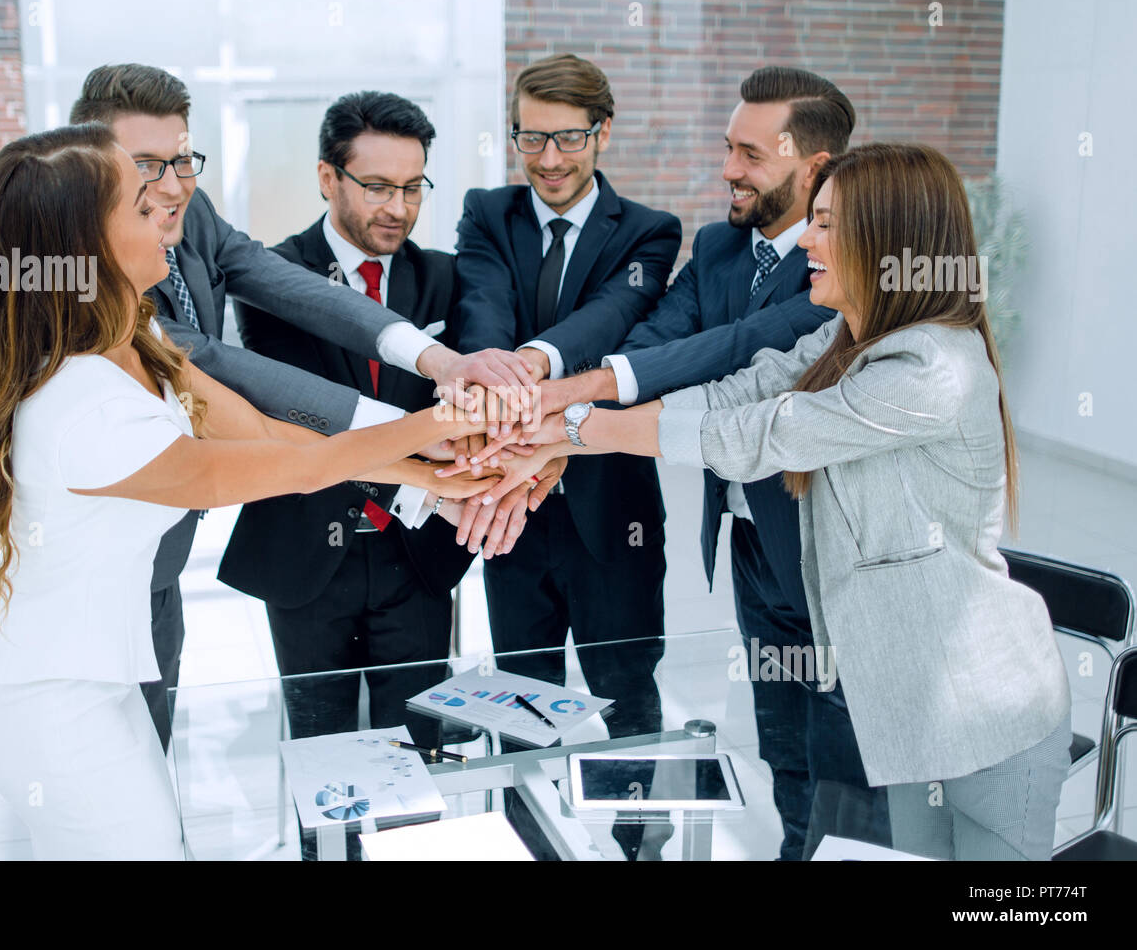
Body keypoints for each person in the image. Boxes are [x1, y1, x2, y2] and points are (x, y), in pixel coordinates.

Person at [500, 142, 1072, 861]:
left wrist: (576, 429)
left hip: (990, 710)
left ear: (886, 239)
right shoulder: (847, 334)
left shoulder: (933, 366)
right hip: (913, 712)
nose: (806, 238)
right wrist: (573, 429)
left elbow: (763, 434)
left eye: (828, 224)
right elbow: (743, 390)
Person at [0, 122, 492, 859]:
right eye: (141, 207)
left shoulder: (138, 336)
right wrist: (445, 420)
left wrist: (428, 479)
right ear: (90, 249)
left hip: (96, 679)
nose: (169, 205)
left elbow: (268, 437)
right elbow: (297, 472)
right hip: (48, 700)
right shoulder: (83, 405)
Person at [68, 65, 534, 751]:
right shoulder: (92, 287)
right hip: (101, 578)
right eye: (146, 166)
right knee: (117, 775)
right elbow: (214, 366)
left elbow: (275, 281)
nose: (171, 186)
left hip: (164, 561)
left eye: (180, 160)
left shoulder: (184, 210)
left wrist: (435, 361)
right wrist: (413, 444)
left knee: (152, 762)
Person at [526, 66, 884, 859]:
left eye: (751, 155)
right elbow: (662, 340)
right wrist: (572, 423)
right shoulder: (722, 245)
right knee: (781, 736)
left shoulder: (847, 267)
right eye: (729, 147)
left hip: (831, 545)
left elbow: (737, 355)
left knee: (847, 752)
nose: (728, 169)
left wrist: (575, 412)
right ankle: (796, 848)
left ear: (815, 167)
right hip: (753, 538)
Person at [219, 91, 564, 752]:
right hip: (307, 549)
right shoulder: (273, 277)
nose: (399, 207)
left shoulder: (448, 279)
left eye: (413, 187)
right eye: (377, 186)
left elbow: (477, 408)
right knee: (324, 763)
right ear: (328, 177)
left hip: (419, 557)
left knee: (414, 758)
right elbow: (300, 415)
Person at [452, 53, 681, 859]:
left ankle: (637, 842)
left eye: (568, 139)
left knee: (626, 691)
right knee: (521, 697)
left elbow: (613, 318)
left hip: (609, 508)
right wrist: (496, 372)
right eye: (530, 138)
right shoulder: (488, 213)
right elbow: (479, 307)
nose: (548, 159)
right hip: (512, 504)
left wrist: (532, 369)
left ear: (602, 133)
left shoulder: (651, 232)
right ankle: (532, 844)